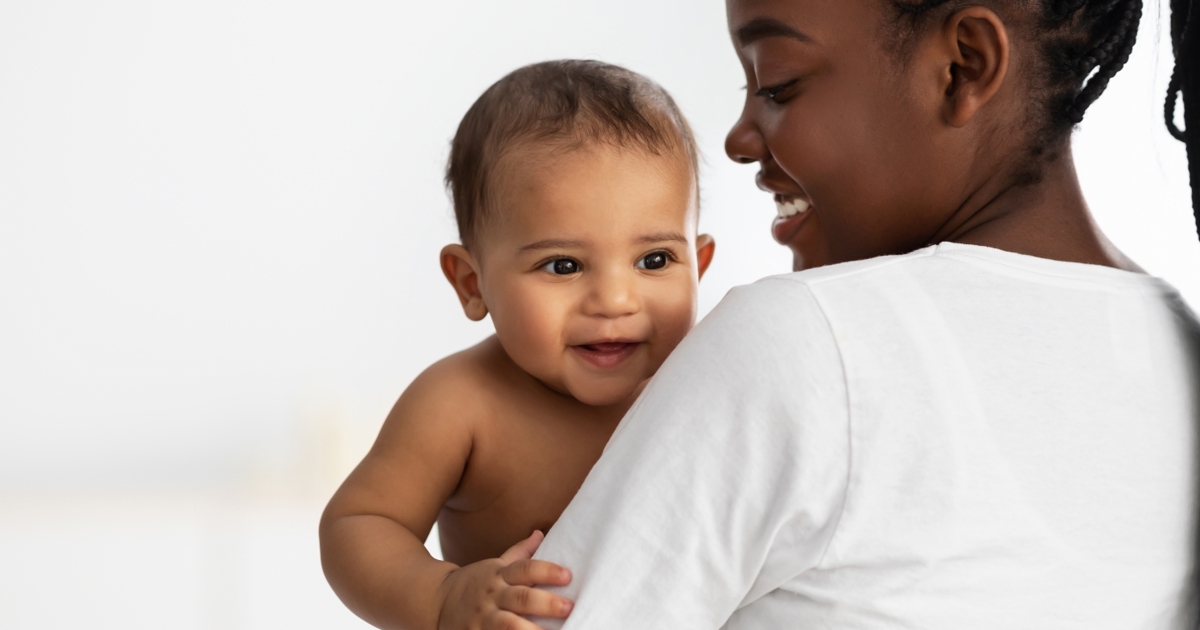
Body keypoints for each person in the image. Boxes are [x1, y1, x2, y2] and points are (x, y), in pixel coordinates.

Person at [530, 0, 1200, 628]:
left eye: (778, 84)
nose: (737, 140)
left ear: (963, 66)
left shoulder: (810, 342)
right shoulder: (1183, 356)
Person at [317, 60, 716, 630]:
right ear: (472, 283)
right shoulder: (461, 403)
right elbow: (358, 523)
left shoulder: (706, 381)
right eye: (563, 265)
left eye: (654, 260)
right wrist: (442, 597)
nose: (614, 300)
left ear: (699, 265)